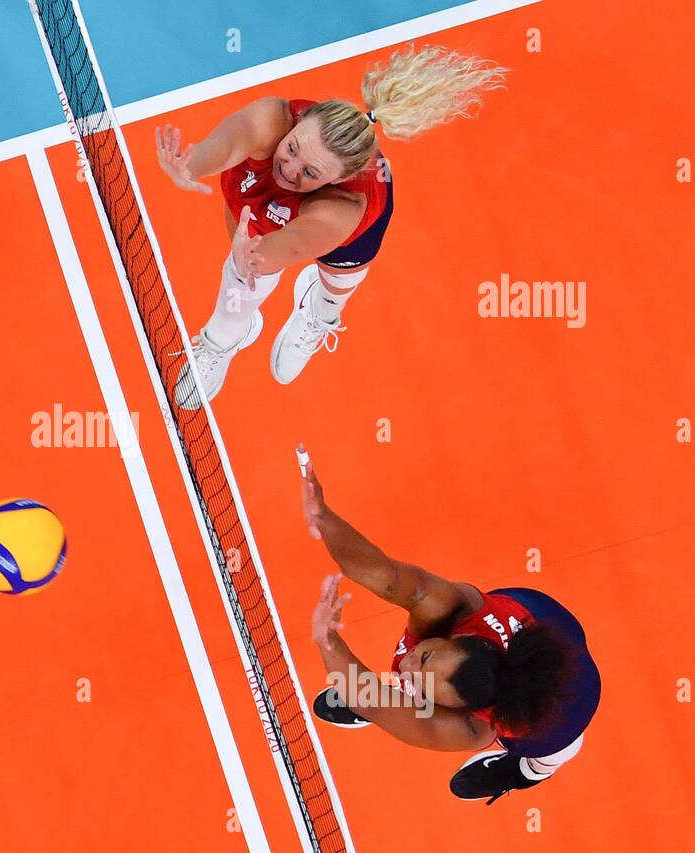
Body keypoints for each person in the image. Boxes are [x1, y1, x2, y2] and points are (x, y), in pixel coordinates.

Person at [155, 46, 506, 408]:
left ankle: (316, 314)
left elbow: (292, 244)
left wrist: (258, 254)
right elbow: (229, 141)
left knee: (327, 290)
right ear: (296, 124)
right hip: (259, 195)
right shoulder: (273, 118)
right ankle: (224, 338)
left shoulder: (345, 206)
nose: (290, 169)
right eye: (292, 149)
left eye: (310, 172)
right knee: (240, 284)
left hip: (345, 239)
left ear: (342, 178)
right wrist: (191, 165)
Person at [297, 444, 601, 803]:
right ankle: (406, 691)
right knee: (406, 674)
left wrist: (327, 641)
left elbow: (374, 702)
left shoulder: (474, 728)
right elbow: (389, 577)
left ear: (465, 711)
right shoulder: (457, 608)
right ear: (460, 634)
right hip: (541, 618)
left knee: (552, 751)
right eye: (424, 657)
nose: (406, 665)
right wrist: (323, 518)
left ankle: (523, 773)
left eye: (422, 685)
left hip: (565, 716)